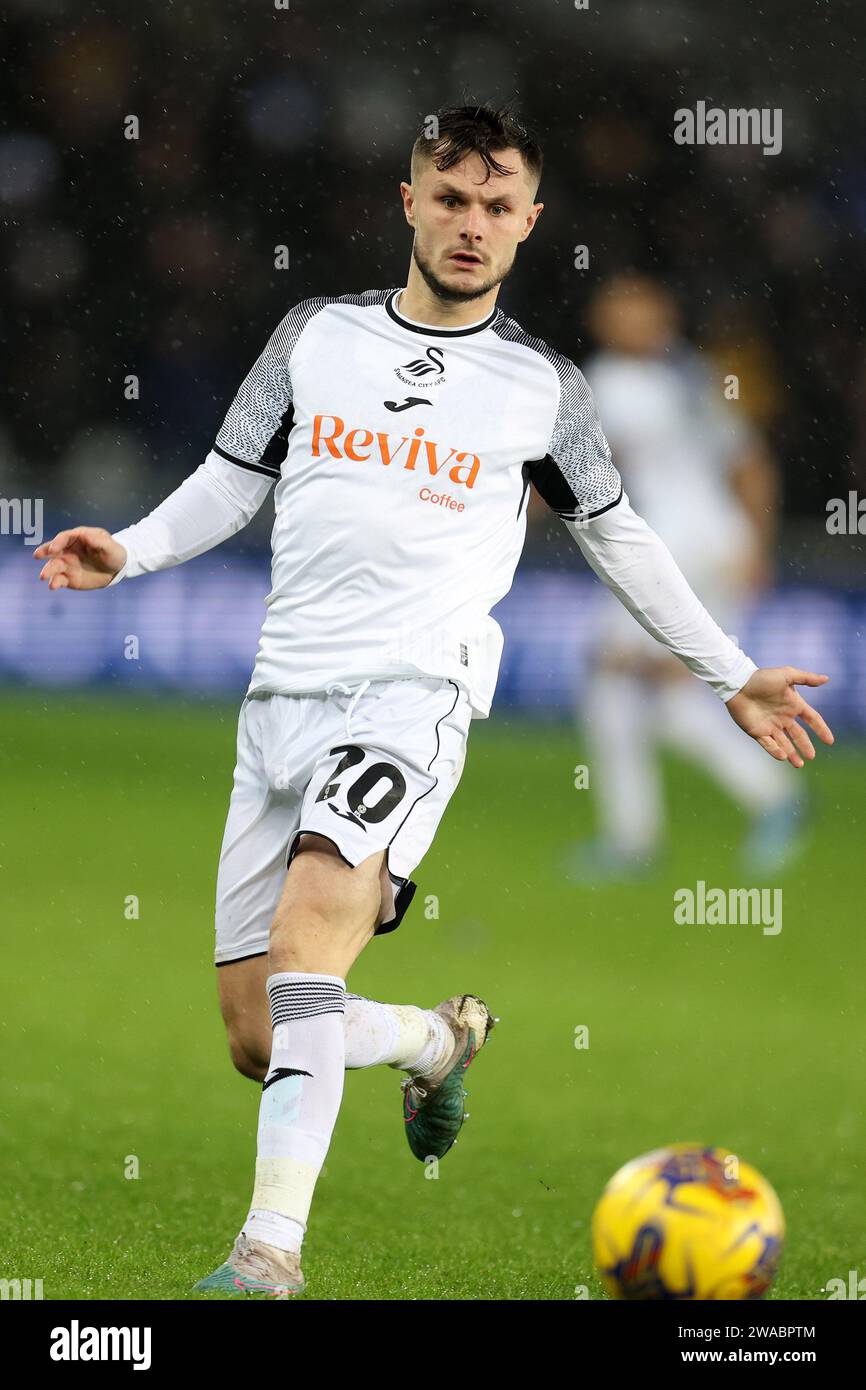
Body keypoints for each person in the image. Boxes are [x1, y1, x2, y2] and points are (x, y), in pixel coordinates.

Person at [34, 104, 833, 1299]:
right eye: (451, 199)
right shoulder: (315, 336)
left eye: (498, 206)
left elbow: (617, 535)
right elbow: (228, 478)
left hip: (413, 697)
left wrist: (727, 669)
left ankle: (268, 1257)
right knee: (261, 1036)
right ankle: (433, 1038)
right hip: (278, 703)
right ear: (410, 202)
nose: (472, 224)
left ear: (528, 223)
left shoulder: (542, 389)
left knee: (311, 940)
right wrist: (131, 553)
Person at [571, 273, 801, 878]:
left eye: (634, 310)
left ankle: (633, 841)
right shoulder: (693, 374)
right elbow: (750, 460)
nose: (623, 322)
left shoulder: (614, 380)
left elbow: (581, 466)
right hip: (715, 546)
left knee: (611, 680)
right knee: (666, 696)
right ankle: (771, 799)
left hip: (672, 553)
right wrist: (755, 543)